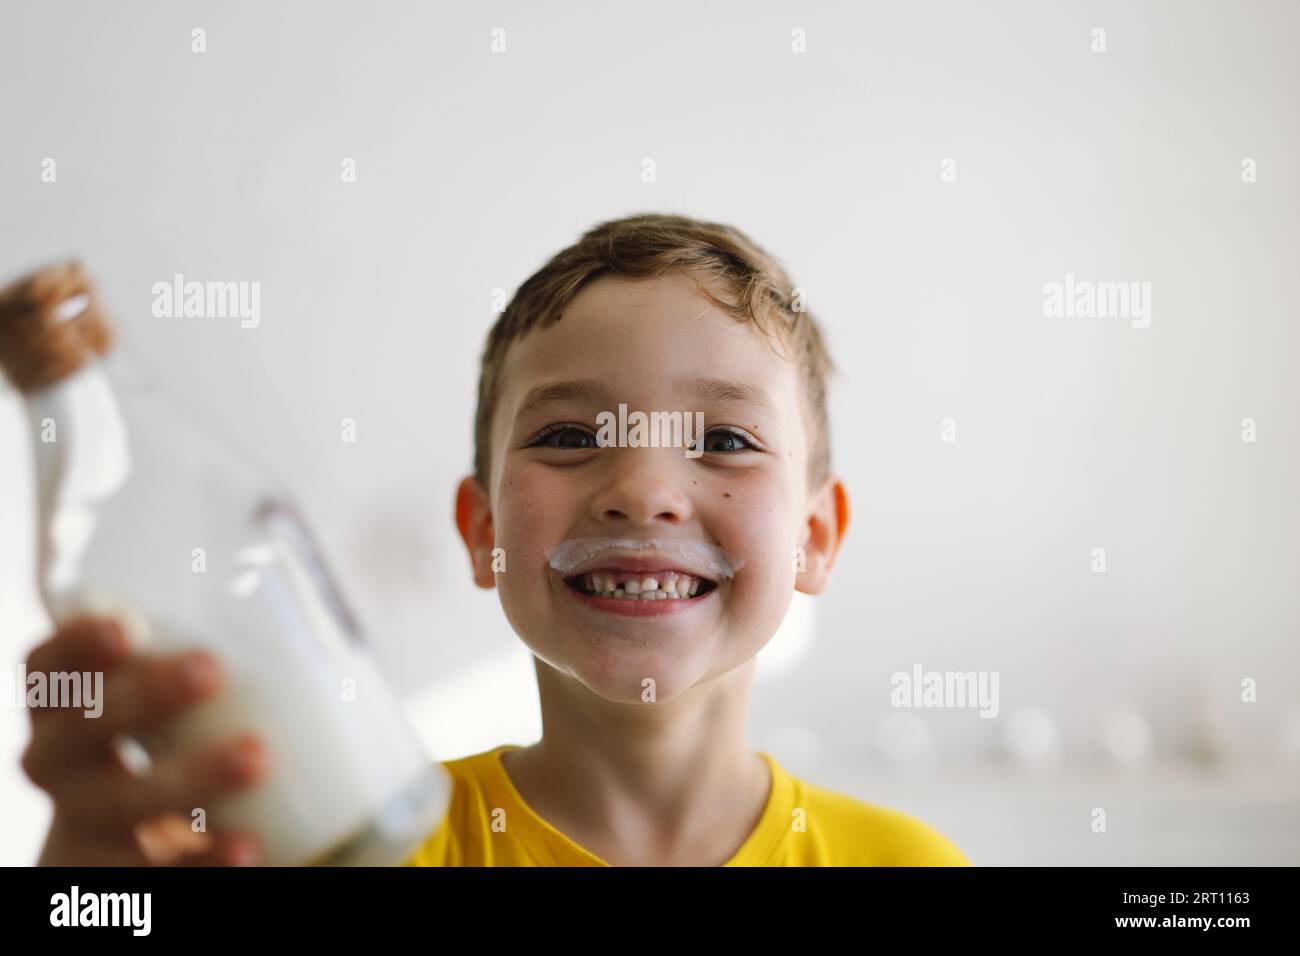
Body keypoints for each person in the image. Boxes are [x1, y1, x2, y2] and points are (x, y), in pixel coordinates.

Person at [22, 212, 970, 866]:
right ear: (482, 533)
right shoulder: (347, 839)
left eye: (723, 441)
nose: (641, 490)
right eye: (567, 437)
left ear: (814, 538)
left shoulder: (908, 861)